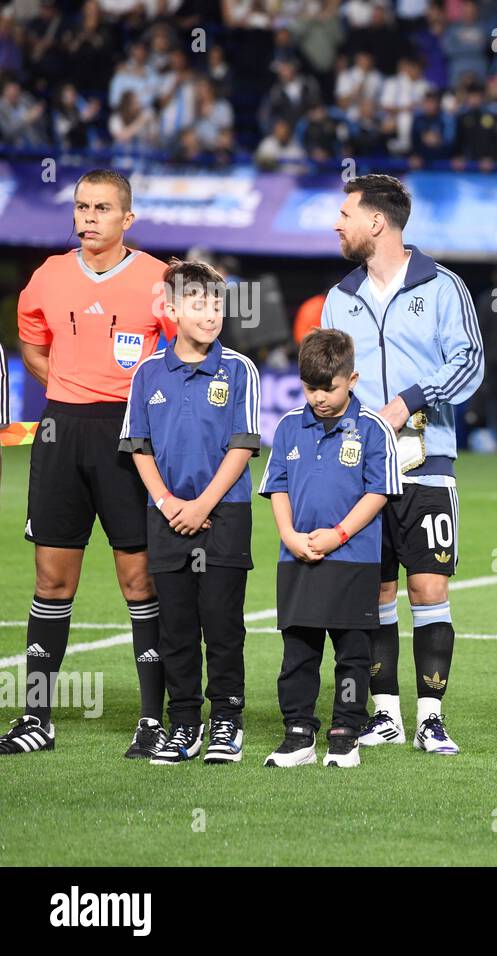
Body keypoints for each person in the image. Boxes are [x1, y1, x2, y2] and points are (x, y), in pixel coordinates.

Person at [1, 169, 173, 759]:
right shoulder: (48, 275)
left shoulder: (159, 280)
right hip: (60, 431)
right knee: (52, 579)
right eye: (81, 207)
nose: (88, 217)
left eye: (102, 208)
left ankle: (154, 721)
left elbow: (183, 356)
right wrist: (73, 385)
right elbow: (32, 342)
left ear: (128, 219)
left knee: (139, 579)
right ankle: (36, 718)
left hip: (128, 439)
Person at [322, 174, 483, 757]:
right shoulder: (340, 296)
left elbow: (470, 365)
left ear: (376, 221)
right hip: (361, 468)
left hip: (427, 463)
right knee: (377, 591)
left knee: (428, 586)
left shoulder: (443, 286)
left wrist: (409, 400)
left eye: (344, 213)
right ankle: (385, 713)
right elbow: (326, 374)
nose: (336, 224)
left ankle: (431, 717)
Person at [119, 258, 261, 765]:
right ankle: (183, 724)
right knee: (175, 626)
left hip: (225, 514)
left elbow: (242, 446)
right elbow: (139, 447)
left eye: (217, 304)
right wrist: (167, 503)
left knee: (222, 623)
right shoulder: (147, 373)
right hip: (167, 517)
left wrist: (201, 504)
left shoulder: (239, 369)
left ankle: (226, 721)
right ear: (172, 309)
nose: (210, 313)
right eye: (198, 303)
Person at [258, 329, 401, 769]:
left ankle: (345, 735)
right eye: (310, 387)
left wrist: (338, 534)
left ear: (352, 379)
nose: (318, 397)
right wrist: (289, 535)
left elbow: (378, 492)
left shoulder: (374, 429)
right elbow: (277, 485)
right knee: (297, 653)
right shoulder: (286, 427)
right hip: (297, 557)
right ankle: (298, 736)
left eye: (329, 387)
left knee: (352, 655)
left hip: (353, 561)